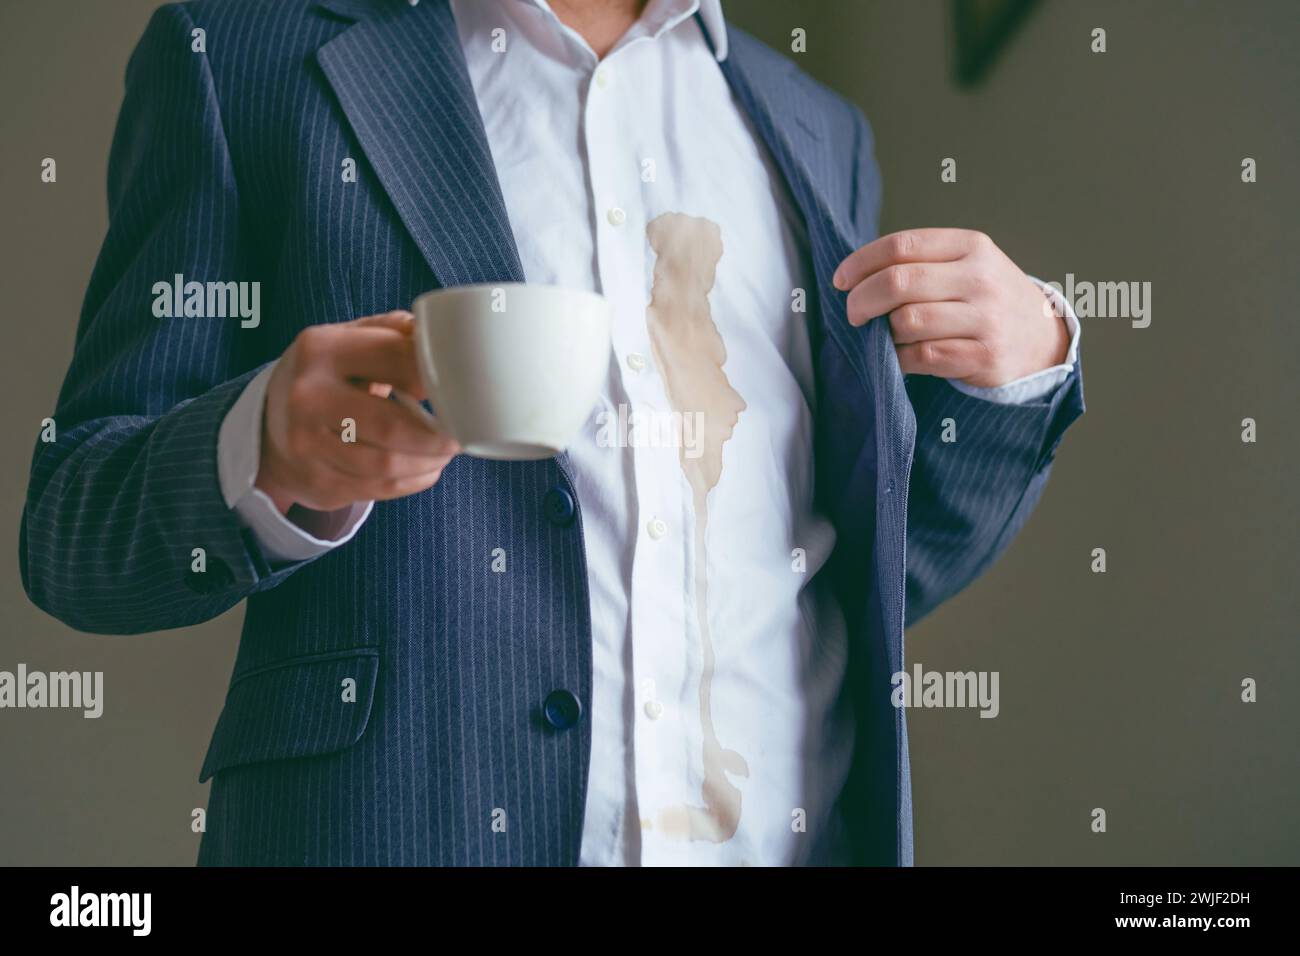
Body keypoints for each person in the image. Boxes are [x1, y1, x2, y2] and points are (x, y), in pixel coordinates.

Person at [19, 0, 1083, 866]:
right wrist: (260, 441)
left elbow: (849, 573)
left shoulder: (818, 125)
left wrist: (1021, 377)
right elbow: (73, 527)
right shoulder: (236, 52)